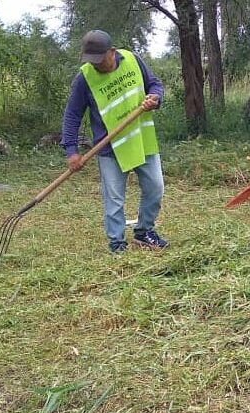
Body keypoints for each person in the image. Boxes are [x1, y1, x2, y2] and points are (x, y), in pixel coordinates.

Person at [61, 30, 168, 253]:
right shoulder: (85, 78)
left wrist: (155, 98)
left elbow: (155, 84)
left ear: (112, 51)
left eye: (100, 60)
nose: (97, 65)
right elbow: (72, 115)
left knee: (155, 188)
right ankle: (117, 243)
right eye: (92, 61)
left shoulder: (133, 60)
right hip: (109, 148)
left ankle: (144, 232)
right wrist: (71, 151)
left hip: (141, 139)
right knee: (114, 200)